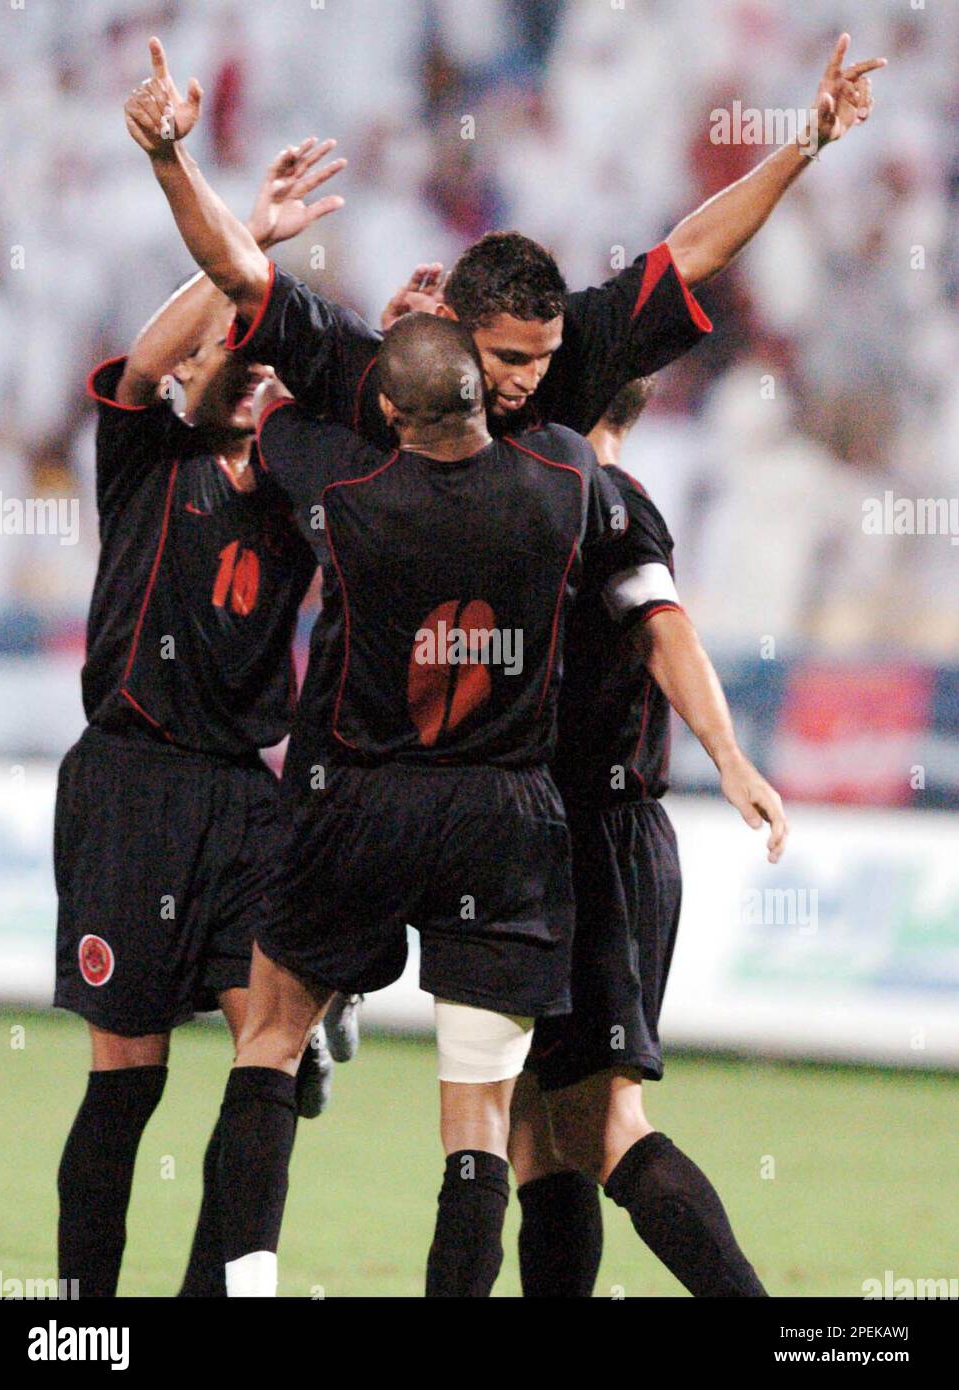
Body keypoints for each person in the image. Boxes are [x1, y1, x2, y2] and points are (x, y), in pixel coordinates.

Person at [211, 313, 650, 1298]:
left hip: (364, 801)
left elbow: (278, 404)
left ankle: (248, 1284)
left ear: (388, 413)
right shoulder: (564, 480)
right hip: (504, 818)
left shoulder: (349, 492)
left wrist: (335, 360)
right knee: (478, 1119)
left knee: (273, 1035)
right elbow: (587, 433)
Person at [53, 140, 346, 1299]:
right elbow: (160, 353)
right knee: (127, 1085)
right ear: (192, 373)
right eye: (236, 349)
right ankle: (84, 1315)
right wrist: (250, 249)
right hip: (131, 783)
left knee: (262, 1061)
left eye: (269, 363)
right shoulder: (145, 451)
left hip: (243, 798)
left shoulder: (292, 507)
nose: (256, 369)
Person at [124, 33, 883, 449]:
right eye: (510, 358)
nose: (527, 379)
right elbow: (237, 270)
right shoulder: (371, 370)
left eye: (541, 357)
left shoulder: (570, 351)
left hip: (513, 727)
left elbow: (691, 252)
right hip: (377, 720)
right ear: (452, 327)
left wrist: (806, 144)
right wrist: (168, 159)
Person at [509, 377, 787, 1298]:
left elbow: (665, 628)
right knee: (534, 1127)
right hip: (551, 838)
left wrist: (730, 757)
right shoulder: (547, 486)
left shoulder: (610, 501)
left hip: (592, 842)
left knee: (597, 1120)